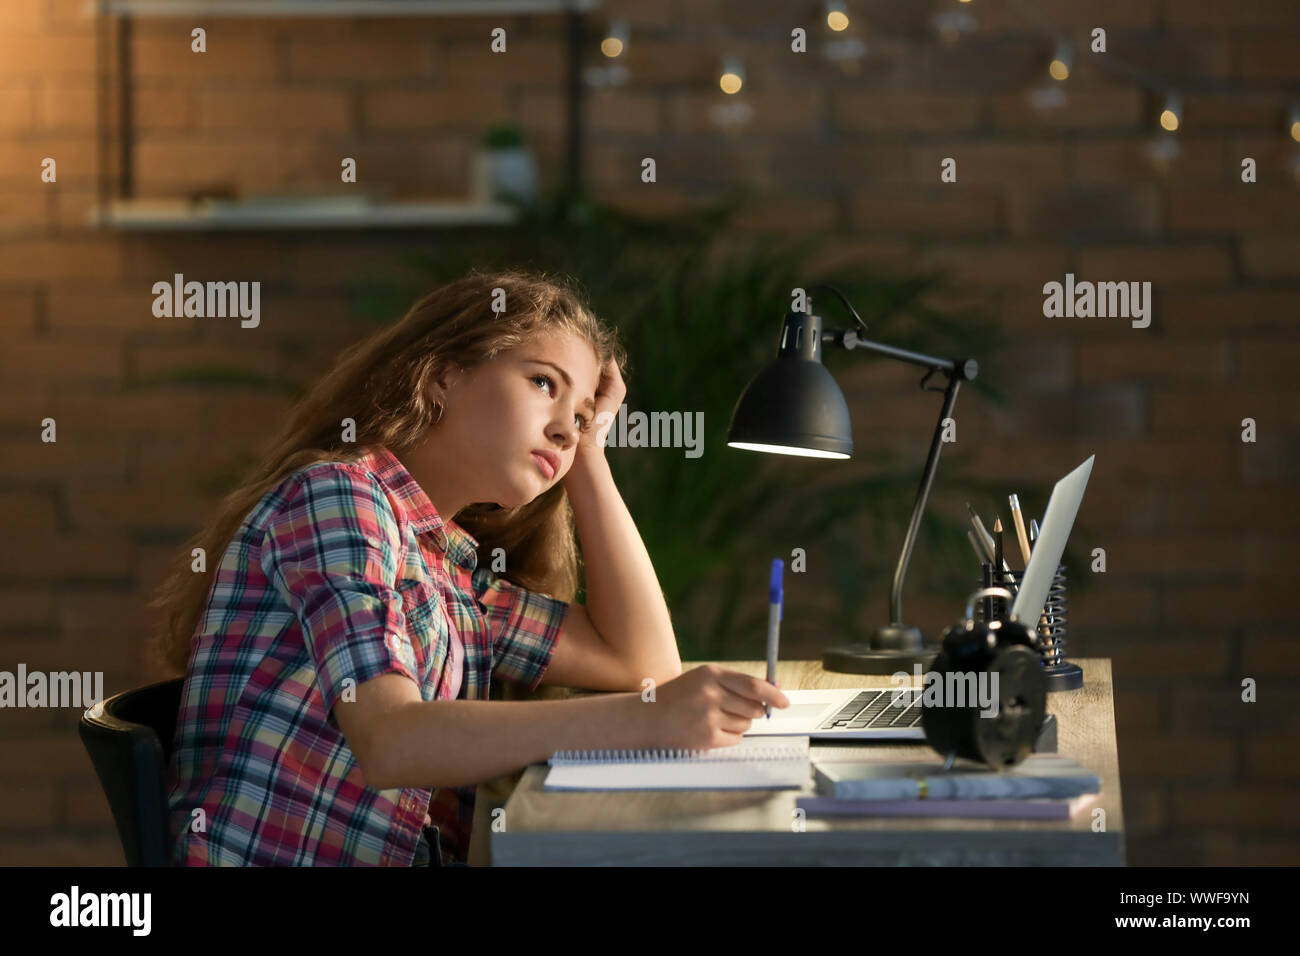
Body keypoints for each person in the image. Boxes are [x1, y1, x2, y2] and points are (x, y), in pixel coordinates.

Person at [150, 268, 789, 866]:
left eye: (580, 415)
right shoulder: (336, 497)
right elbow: (392, 739)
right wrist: (647, 719)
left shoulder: (445, 571)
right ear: (442, 378)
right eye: (544, 383)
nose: (565, 429)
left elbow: (643, 665)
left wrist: (590, 454)